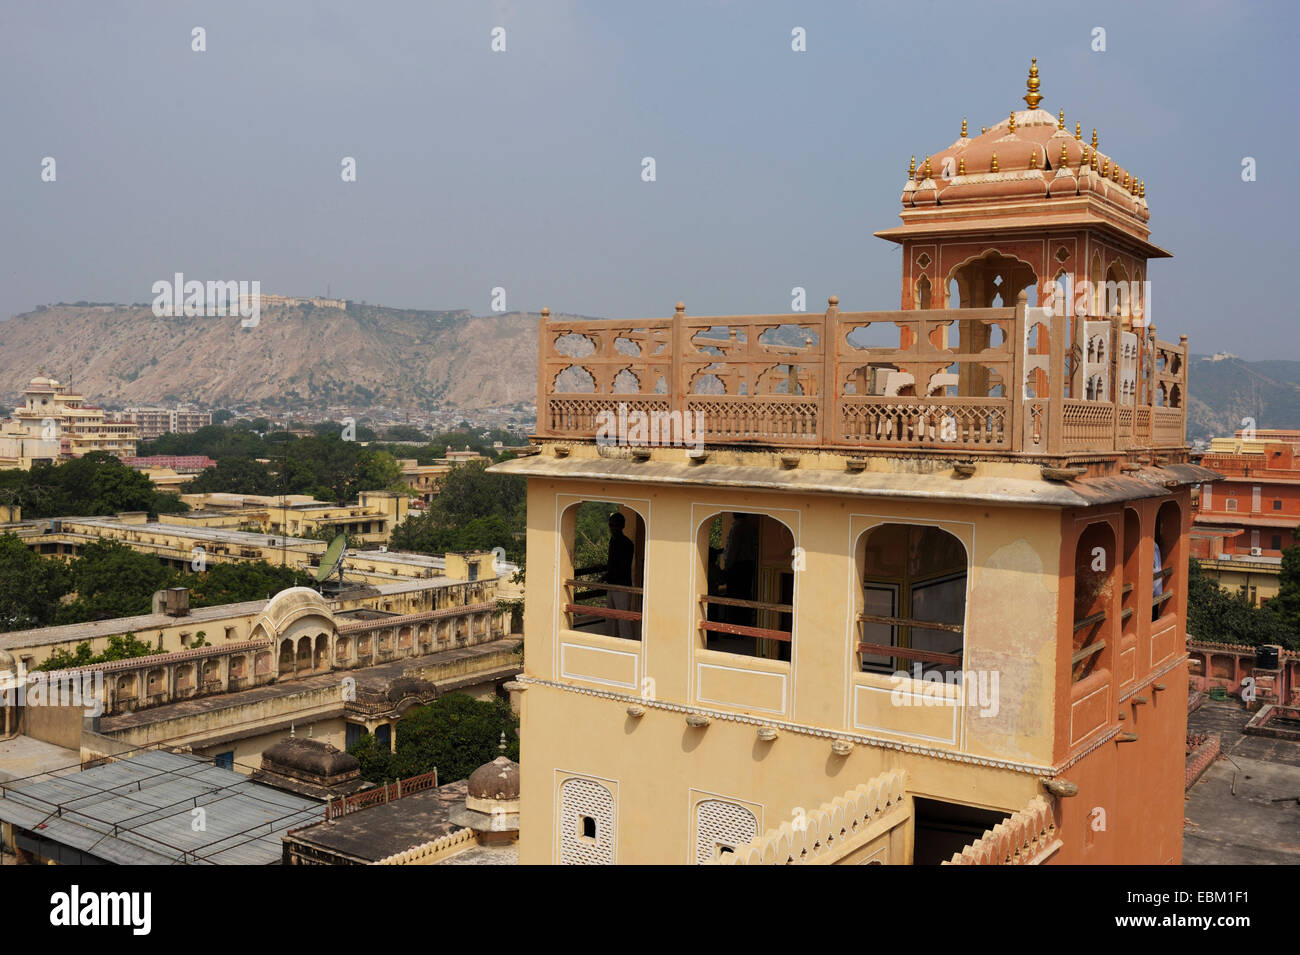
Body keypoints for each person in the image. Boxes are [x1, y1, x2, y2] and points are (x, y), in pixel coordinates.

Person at [722, 513, 759, 627]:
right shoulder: (751, 527)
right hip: (748, 564)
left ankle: (734, 627)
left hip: (738, 565)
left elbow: (733, 548)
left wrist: (727, 566)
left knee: (735, 596)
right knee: (745, 594)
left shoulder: (737, 528)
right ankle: (744, 624)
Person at [606, 511, 638, 639]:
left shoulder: (626, 544)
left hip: (622, 586)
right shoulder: (613, 541)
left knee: (623, 619)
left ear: (622, 526)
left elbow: (621, 566)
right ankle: (610, 643)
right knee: (610, 618)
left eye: (615, 526)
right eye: (611, 526)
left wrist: (607, 575)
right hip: (611, 585)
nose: (613, 528)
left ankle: (627, 644)